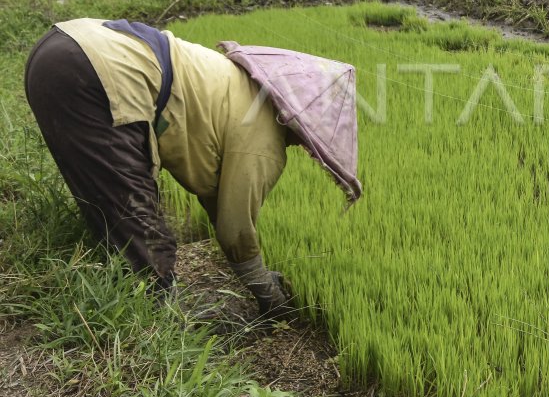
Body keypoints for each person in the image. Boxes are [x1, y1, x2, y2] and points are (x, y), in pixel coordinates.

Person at [24, 19, 362, 320]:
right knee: (141, 229)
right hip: (101, 70)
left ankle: (117, 296)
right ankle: (154, 328)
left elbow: (216, 195)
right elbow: (234, 227)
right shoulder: (263, 140)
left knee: (106, 200)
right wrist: (263, 287)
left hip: (61, 45)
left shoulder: (235, 81)